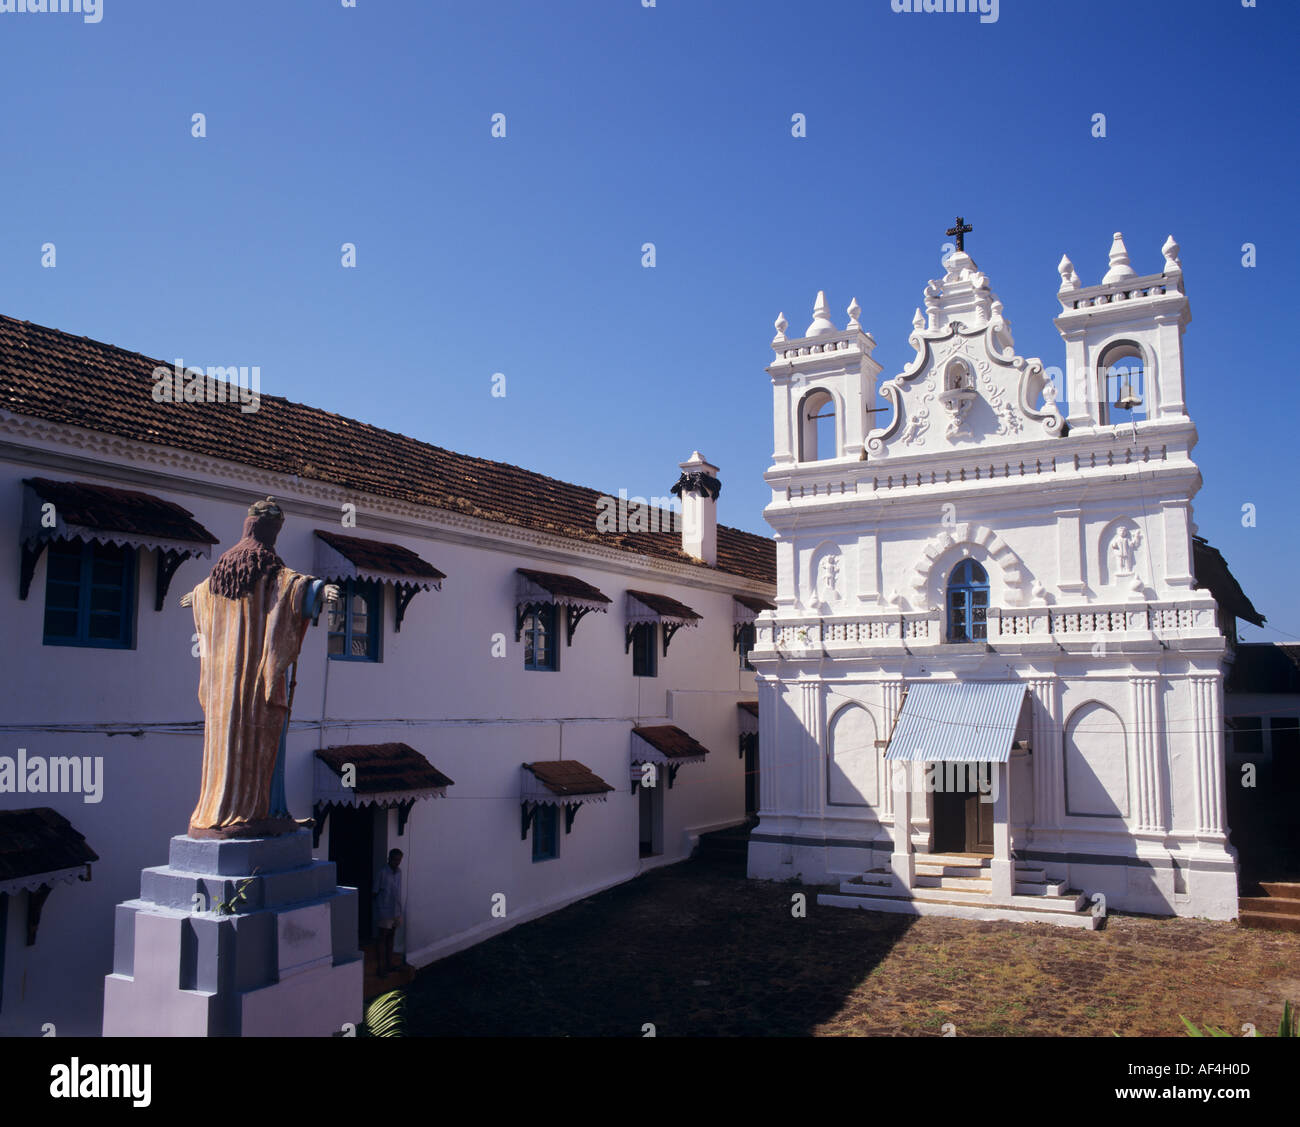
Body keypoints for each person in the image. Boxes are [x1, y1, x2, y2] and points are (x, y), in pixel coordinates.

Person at [180, 498, 337, 839]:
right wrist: (317, 590)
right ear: (270, 532)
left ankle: (216, 809)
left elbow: (206, 594)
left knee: (223, 749)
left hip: (223, 690)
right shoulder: (267, 566)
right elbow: (291, 588)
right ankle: (256, 811)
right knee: (263, 744)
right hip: (254, 686)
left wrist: (196, 596)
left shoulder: (222, 571)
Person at [374, 848, 404, 977]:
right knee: (382, 938)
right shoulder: (382, 873)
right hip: (385, 911)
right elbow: (375, 891)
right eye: (395, 860)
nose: (397, 862)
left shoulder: (399, 873)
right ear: (389, 859)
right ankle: (381, 967)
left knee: (391, 937)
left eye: (399, 860)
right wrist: (381, 907)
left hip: (396, 910)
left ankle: (389, 963)